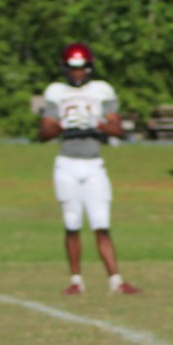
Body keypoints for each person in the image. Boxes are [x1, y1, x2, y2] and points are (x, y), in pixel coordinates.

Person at [38, 43, 140, 296]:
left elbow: (119, 130)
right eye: (73, 68)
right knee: (72, 223)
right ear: (65, 68)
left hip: (94, 164)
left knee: (101, 222)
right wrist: (63, 124)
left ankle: (115, 280)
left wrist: (97, 123)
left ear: (89, 68)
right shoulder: (56, 91)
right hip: (66, 163)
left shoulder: (101, 90)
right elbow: (44, 133)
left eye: (82, 68)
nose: (78, 73)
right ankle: (76, 280)